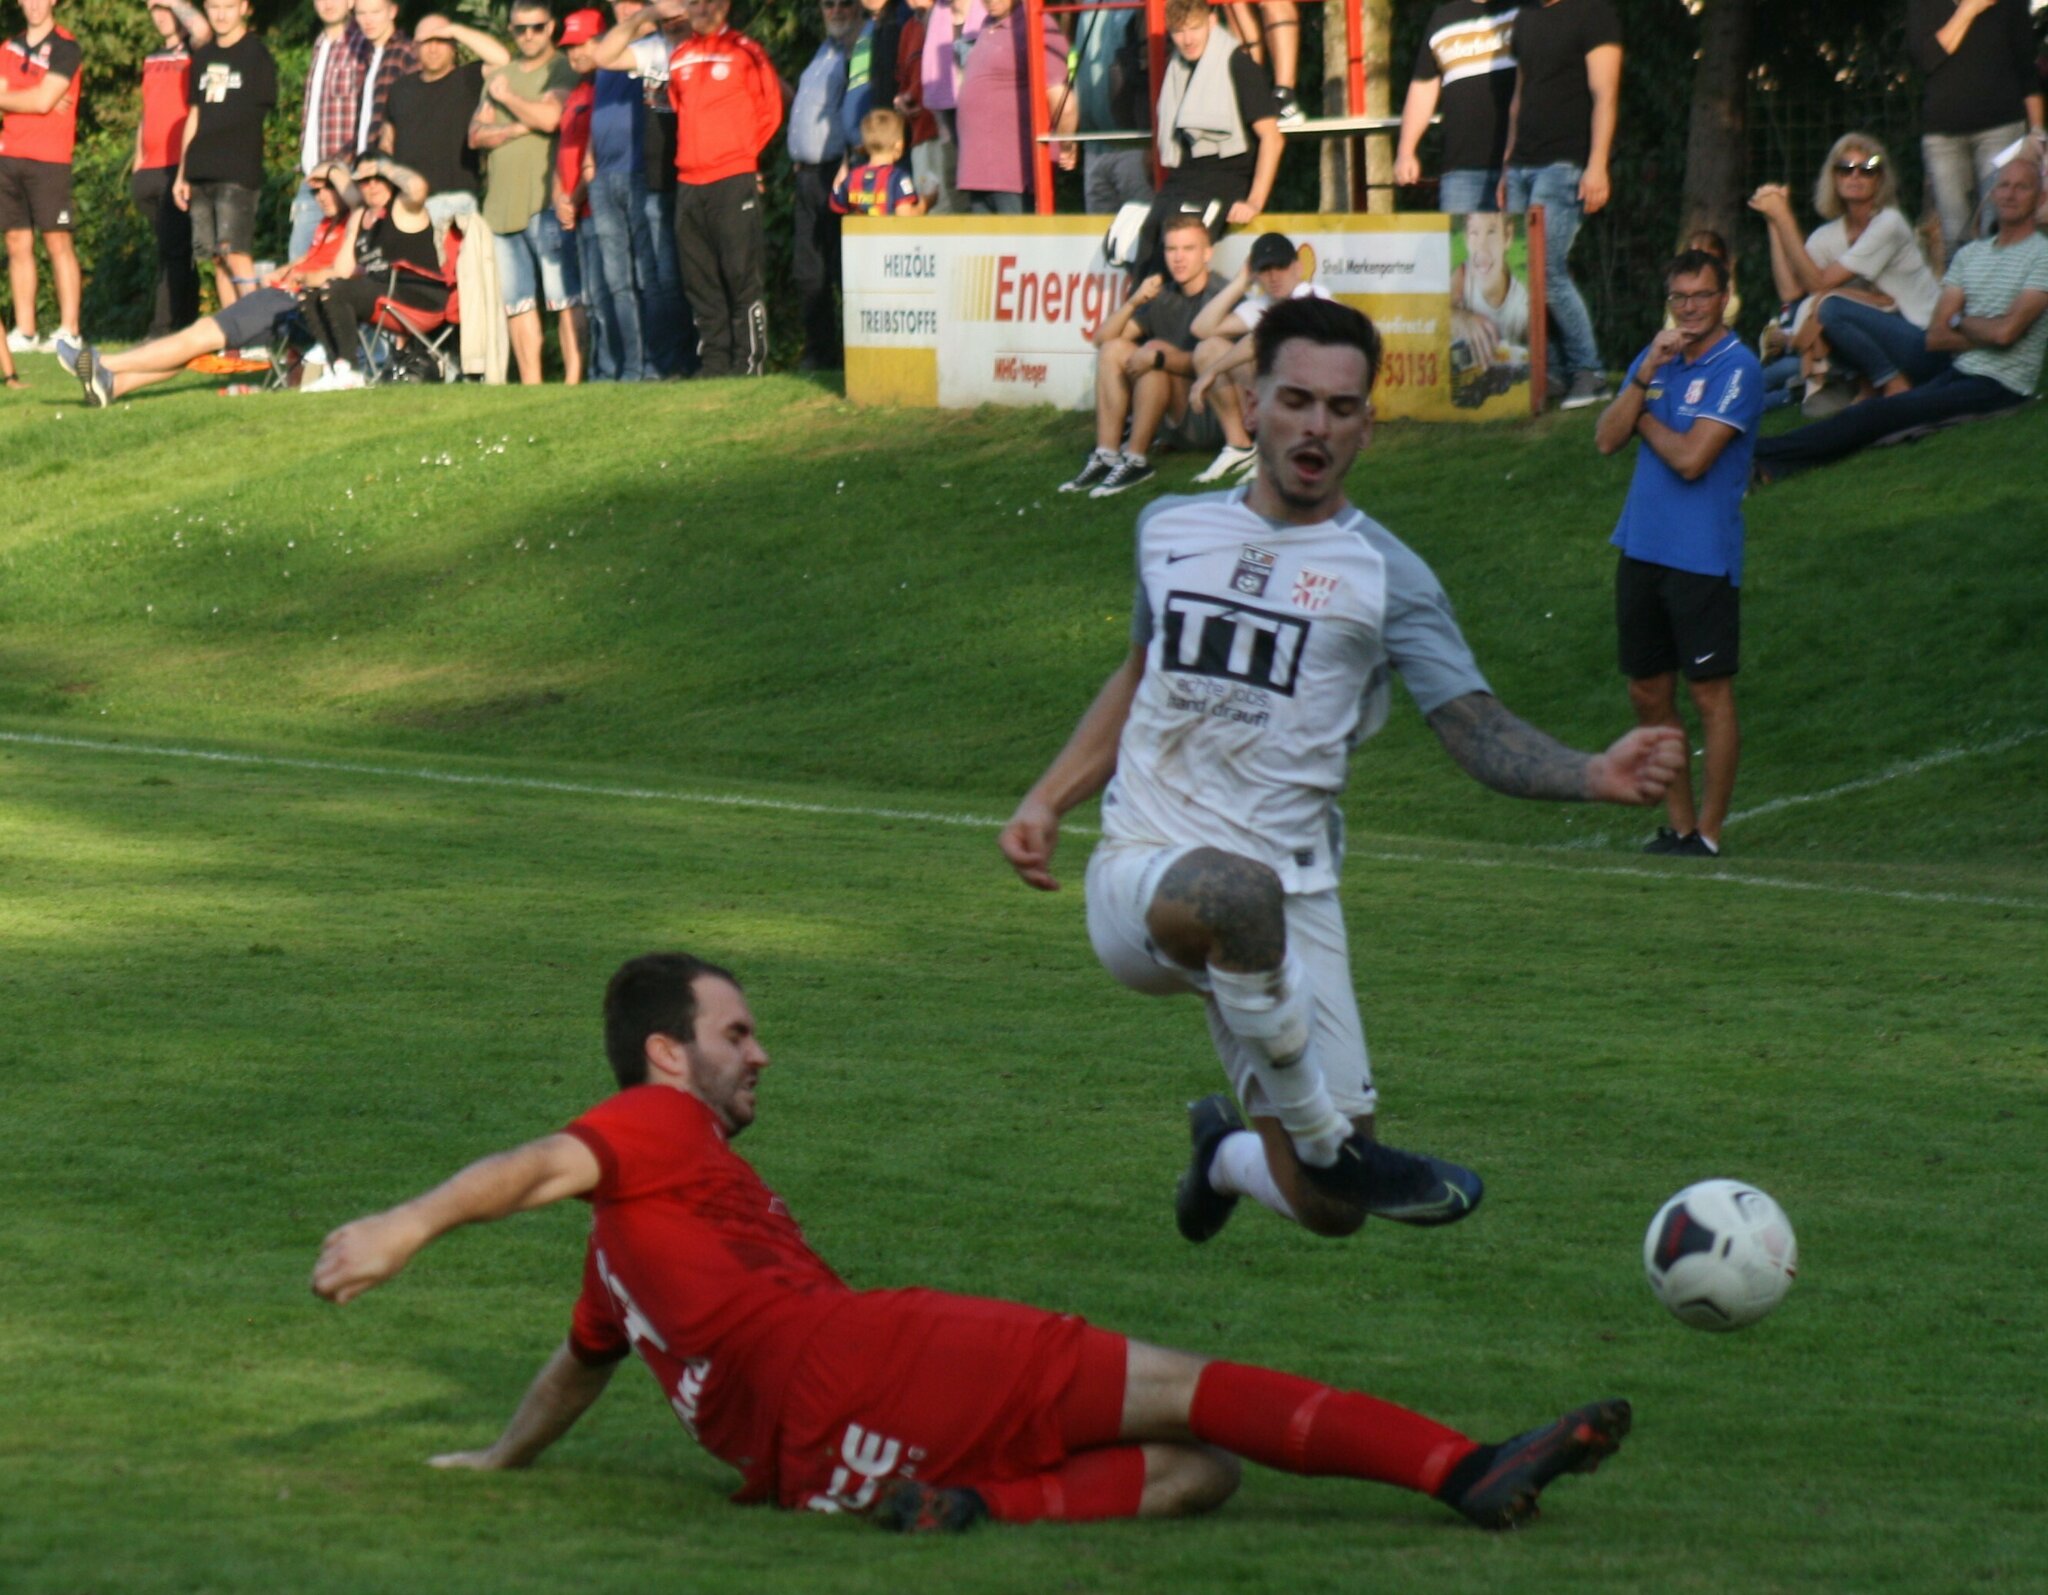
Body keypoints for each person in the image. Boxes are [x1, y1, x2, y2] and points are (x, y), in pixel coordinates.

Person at [311, 950, 1634, 1532]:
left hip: (813, 1464)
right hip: (863, 1357)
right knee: (1185, 1379)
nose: (760, 1049)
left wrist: (494, 1457)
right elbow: (543, 1160)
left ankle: (966, 1509)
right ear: (667, 1054)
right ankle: (1461, 1466)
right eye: (736, 1032)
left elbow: (577, 1367)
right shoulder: (656, 1128)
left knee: (1196, 1475)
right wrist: (402, 1223)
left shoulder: (629, 1246)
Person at [1012, 297, 1685, 1245]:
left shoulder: (1387, 576)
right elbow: (1138, 675)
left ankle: (1227, 1157)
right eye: (1296, 400)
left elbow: (1473, 726)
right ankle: (1331, 1140)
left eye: (1340, 408)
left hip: (1295, 893)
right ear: (1253, 399)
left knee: (1330, 1214)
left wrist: (1593, 772)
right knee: (1238, 902)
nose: (1315, 426)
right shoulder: (1167, 529)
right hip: (1146, 868)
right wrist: (1047, 800)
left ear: (1368, 424)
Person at [1592, 249, 1764, 859]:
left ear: (1724, 298)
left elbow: (1694, 459)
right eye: (1680, 297)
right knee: (1647, 690)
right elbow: (1605, 438)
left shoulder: (1737, 367)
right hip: (1641, 545)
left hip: (1701, 555)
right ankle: (1680, 825)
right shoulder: (1656, 357)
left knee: (1709, 694)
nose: (1690, 308)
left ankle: (1711, 835)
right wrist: (1641, 384)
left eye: (1702, 295)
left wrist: (1643, 417)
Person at [1753, 155, 2048, 480]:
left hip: (1998, 385)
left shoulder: (2042, 256)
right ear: (1992, 193)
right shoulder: (1970, 254)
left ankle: (1763, 456)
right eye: (2004, 185)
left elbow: (2006, 333)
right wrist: (1980, 327)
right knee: (1875, 413)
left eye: (2023, 187)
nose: (2010, 193)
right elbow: (1937, 336)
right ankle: (1768, 462)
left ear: (2040, 197)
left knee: (1880, 414)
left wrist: (1960, 321)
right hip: (1955, 369)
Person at [74, 161, 359, 406]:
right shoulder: (329, 224)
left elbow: (343, 271)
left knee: (201, 334)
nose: (320, 196)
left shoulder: (358, 222)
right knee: (198, 344)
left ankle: (105, 363)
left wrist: (334, 171)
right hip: (283, 297)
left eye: (328, 187)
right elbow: (310, 260)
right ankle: (113, 385)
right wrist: (283, 271)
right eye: (315, 190)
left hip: (292, 304)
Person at [1749, 134, 1947, 412]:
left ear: (1879, 179)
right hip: (1887, 338)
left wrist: (1785, 216)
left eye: (1867, 170)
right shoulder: (1827, 235)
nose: (1855, 175)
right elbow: (1791, 291)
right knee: (1813, 316)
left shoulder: (1889, 223)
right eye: (1845, 168)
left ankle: (1891, 383)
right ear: (1834, 177)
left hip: (1926, 342)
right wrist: (1773, 224)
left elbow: (1818, 283)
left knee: (1829, 308)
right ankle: (1869, 383)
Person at [1498, 0, 1620, 410]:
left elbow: (1605, 94)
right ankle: (1547, 372)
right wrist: (1506, 166)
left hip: (1564, 163)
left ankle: (1590, 372)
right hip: (1521, 165)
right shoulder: (1525, 18)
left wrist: (1597, 165)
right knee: (1520, 272)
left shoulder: (1593, 12)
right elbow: (1518, 97)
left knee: (1547, 269)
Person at [655, 0, 782, 377]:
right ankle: (714, 364)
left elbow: (770, 111)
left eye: (710, 1)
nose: (702, 8)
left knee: (742, 276)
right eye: (694, 2)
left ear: (726, 5)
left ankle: (748, 362)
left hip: (732, 179)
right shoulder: (679, 57)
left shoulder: (746, 51)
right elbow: (680, 110)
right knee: (700, 279)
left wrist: (741, 154)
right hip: (689, 184)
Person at [1060, 212, 1225, 499]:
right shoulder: (1164, 294)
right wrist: (1134, 300)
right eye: (1171, 249)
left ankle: (1136, 459)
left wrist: (1158, 359)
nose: (1178, 258)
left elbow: (1218, 362)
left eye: (1188, 249)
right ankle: (1107, 454)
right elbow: (1103, 341)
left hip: (1210, 416)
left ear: (1207, 253)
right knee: (1115, 349)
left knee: (1154, 355)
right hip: (1172, 417)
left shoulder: (1220, 293)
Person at [472, 1, 584, 386]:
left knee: (565, 299)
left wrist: (507, 103)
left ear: (551, 26)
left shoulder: (562, 66)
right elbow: (475, 135)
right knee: (517, 304)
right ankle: (531, 386)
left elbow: (552, 117)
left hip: (546, 203)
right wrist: (522, 126)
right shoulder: (499, 75)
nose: (528, 35)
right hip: (500, 207)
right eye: (520, 29)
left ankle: (573, 382)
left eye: (536, 27)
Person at [589, 0, 694, 377]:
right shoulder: (651, 49)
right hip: (650, 180)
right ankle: (657, 366)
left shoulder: (699, 45)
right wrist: (649, 14)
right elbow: (603, 54)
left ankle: (685, 361)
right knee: (653, 282)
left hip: (686, 175)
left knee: (675, 277)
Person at [1144, 0, 1283, 267]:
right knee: (1147, 247)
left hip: (1226, 180)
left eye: (1194, 28)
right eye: (1178, 31)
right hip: (1183, 180)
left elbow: (1272, 139)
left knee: (1178, 256)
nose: (1187, 40)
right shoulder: (1176, 69)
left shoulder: (1239, 65)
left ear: (1211, 21)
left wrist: (1253, 202)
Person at [1186, 229, 1329, 483]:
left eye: (1281, 267)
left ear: (1297, 267)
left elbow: (1264, 337)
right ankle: (1239, 447)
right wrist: (1241, 282)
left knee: (1280, 360)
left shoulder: (1312, 294)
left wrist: (1213, 372)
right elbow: (1201, 328)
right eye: (1265, 269)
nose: (1273, 276)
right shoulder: (1261, 304)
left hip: (1326, 403)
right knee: (1208, 348)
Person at [297, 154, 444, 390]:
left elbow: (418, 188)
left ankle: (351, 371)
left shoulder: (403, 207)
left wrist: (387, 169)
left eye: (378, 178)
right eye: (364, 181)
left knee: (336, 291)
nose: (372, 185)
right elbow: (343, 270)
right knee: (310, 295)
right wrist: (302, 277)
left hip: (420, 297)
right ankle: (339, 370)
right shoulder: (361, 217)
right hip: (382, 294)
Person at [1909, 0, 2044, 257]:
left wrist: (2037, 130)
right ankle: (1963, 296)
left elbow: (2027, 69)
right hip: (1943, 135)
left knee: (1999, 224)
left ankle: (2002, 295)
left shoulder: (2008, 5)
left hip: (2001, 128)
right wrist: (1969, 9)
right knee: (1955, 235)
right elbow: (1927, 58)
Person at [175, 0, 278, 311]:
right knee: (218, 259)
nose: (221, 14)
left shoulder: (257, 55)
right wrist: (183, 172)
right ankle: (233, 338)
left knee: (235, 251)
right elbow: (195, 114)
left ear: (244, 7)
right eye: (214, 6)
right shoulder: (202, 56)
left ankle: (257, 333)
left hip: (237, 170)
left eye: (228, 6)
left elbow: (258, 114)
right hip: (200, 169)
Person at [0, 0, 82, 355]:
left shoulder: (66, 46)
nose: (34, 4)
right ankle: (26, 330)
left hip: (50, 158)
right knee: (17, 244)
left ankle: (69, 330)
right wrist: (32, 97)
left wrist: (11, 98)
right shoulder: (7, 47)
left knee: (57, 243)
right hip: (8, 156)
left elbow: (44, 100)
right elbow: (37, 98)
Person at [1394, 0, 1521, 215]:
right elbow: (1423, 87)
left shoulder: (1524, 9)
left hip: (1521, 167)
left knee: (1520, 247)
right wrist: (1405, 151)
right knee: (1462, 248)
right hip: (1461, 172)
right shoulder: (1442, 19)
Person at [383, 14, 509, 228]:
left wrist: (455, 30)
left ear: (453, 46)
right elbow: (386, 143)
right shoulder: (399, 89)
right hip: (407, 205)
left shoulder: (469, 78)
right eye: (426, 42)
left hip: (456, 204)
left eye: (441, 41)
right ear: (414, 47)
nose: (433, 48)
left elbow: (502, 60)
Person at [133, 1, 211, 342]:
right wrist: (138, 161)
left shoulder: (194, 50)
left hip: (176, 167)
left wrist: (176, 3)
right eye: (155, 9)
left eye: (166, 9)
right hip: (149, 167)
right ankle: (184, 321)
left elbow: (204, 31)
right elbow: (147, 111)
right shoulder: (151, 57)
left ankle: (164, 328)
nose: (161, 15)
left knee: (175, 251)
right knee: (170, 250)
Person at [788, 0, 861, 371]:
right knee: (808, 269)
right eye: (828, 4)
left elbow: (858, 112)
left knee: (841, 268)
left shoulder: (858, 47)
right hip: (807, 176)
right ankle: (820, 352)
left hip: (836, 172)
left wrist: (849, 163)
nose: (835, 11)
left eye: (844, 3)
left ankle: (854, 354)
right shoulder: (824, 50)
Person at [953, 0, 1074, 214]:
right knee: (986, 248)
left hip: (1013, 175)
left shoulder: (1035, 23)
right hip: (978, 172)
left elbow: (1062, 100)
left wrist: (1066, 143)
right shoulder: (988, 23)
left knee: (1017, 246)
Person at [288, 0, 368, 266]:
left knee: (336, 271)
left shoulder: (363, 44)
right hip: (312, 179)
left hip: (346, 180)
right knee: (297, 267)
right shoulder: (320, 43)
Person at [351, 0, 419, 156]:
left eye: (375, 12)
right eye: (361, 13)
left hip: (394, 162)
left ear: (392, 12)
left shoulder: (407, 52)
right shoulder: (363, 57)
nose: (368, 20)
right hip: (363, 162)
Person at [832, 107, 927, 215]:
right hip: (888, 232)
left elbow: (837, 206)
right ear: (899, 146)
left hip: (860, 231)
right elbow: (905, 215)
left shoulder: (852, 177)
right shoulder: (898, 178)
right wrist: (926, 203)